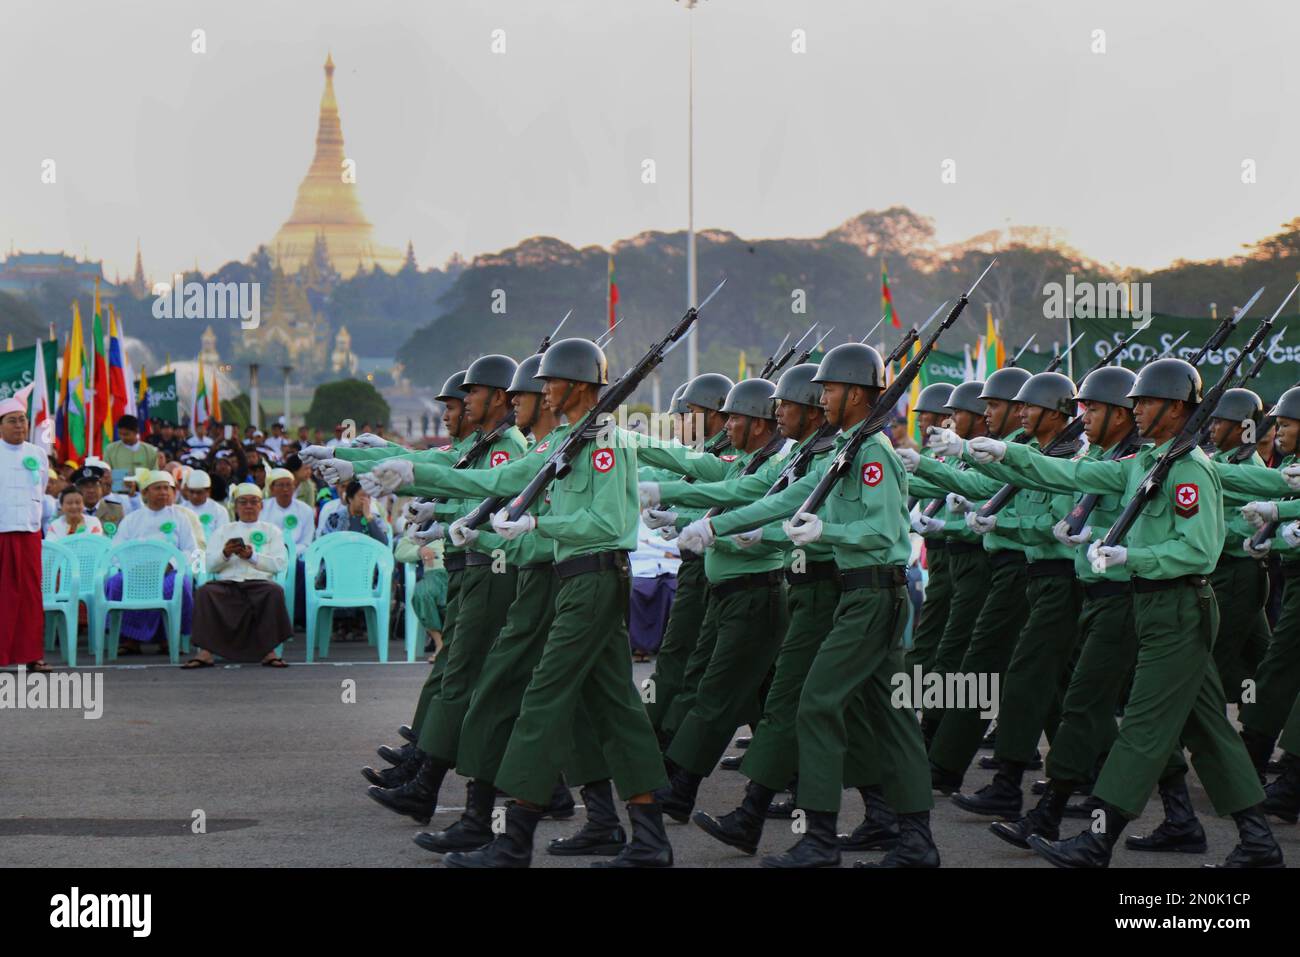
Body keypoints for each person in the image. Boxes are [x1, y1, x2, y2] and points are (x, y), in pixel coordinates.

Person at [969, 358, 1284, 868]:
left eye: (1146, 402)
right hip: (1154, 607)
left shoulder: (1189, 470)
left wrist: (1132, 557)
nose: (1134, 410)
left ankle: (1098, 838)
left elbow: (1199, 551)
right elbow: (1072, 470)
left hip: (1180, 607)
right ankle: (1258, 843)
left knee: (1142, 726)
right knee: (1207, 728)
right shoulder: (1148, 460)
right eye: (1134, 402)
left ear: (1177, 407)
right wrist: (1005, 453)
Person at [679, 343, 936, 868]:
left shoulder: (873, 453)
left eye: (833, 389)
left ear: (859, 394)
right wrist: (717, 524)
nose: (823, 397)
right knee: (893, 719)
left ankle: (819, 839)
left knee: (817, 703)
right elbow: (783, 499)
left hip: (874, 593)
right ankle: (915, 840)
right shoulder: (847, 447)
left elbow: (888, 530)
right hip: (859, 593)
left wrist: (828, 530)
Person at [183, 483, 291, 669]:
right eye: (243, 502)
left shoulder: (272, 531)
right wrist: (225, 553)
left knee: (274, 591)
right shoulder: (223, 531)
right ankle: (206, 652)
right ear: (235, 506)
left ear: (261, 506)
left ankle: (268, 651)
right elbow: (208, 564)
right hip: (228, 583)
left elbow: (280, 564)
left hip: (259, 583)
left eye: (253, 502)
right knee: (204, 592)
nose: (248, 506)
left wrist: (253, 557)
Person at [107, 470, 197, 655]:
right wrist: (134, 566)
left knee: (179, 586)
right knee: (115, 584)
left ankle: (168, 638)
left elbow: (191, 549)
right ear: (146, 492)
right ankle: (129, 639)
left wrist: (171, 564)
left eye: (167, 488)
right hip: (135, 571)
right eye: (158, 488)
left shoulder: (180, 517)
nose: (164, 492)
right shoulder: (132, 519)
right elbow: (117, 550)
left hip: (168, 571)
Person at [0, 393, 50, 671]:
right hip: (1, 531)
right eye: (12, 421)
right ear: (0, 426)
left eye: (22, 420)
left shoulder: (38, 453)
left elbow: (40, 488)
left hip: (29, 533)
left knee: (30, 596)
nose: (19, 426)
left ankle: (32, 655)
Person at [71, 465, 123, 536]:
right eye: (86, 486)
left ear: (101, 487)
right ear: (77, 489)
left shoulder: (116, 510)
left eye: (95, 485)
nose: (91, 490)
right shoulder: (70, 512)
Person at [178, 469, 228, 538]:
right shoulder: (180, 510)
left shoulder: (219, 511)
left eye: (199, 492)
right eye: (191, 492)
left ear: (208, 491)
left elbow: (222, 536)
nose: (194, 496)